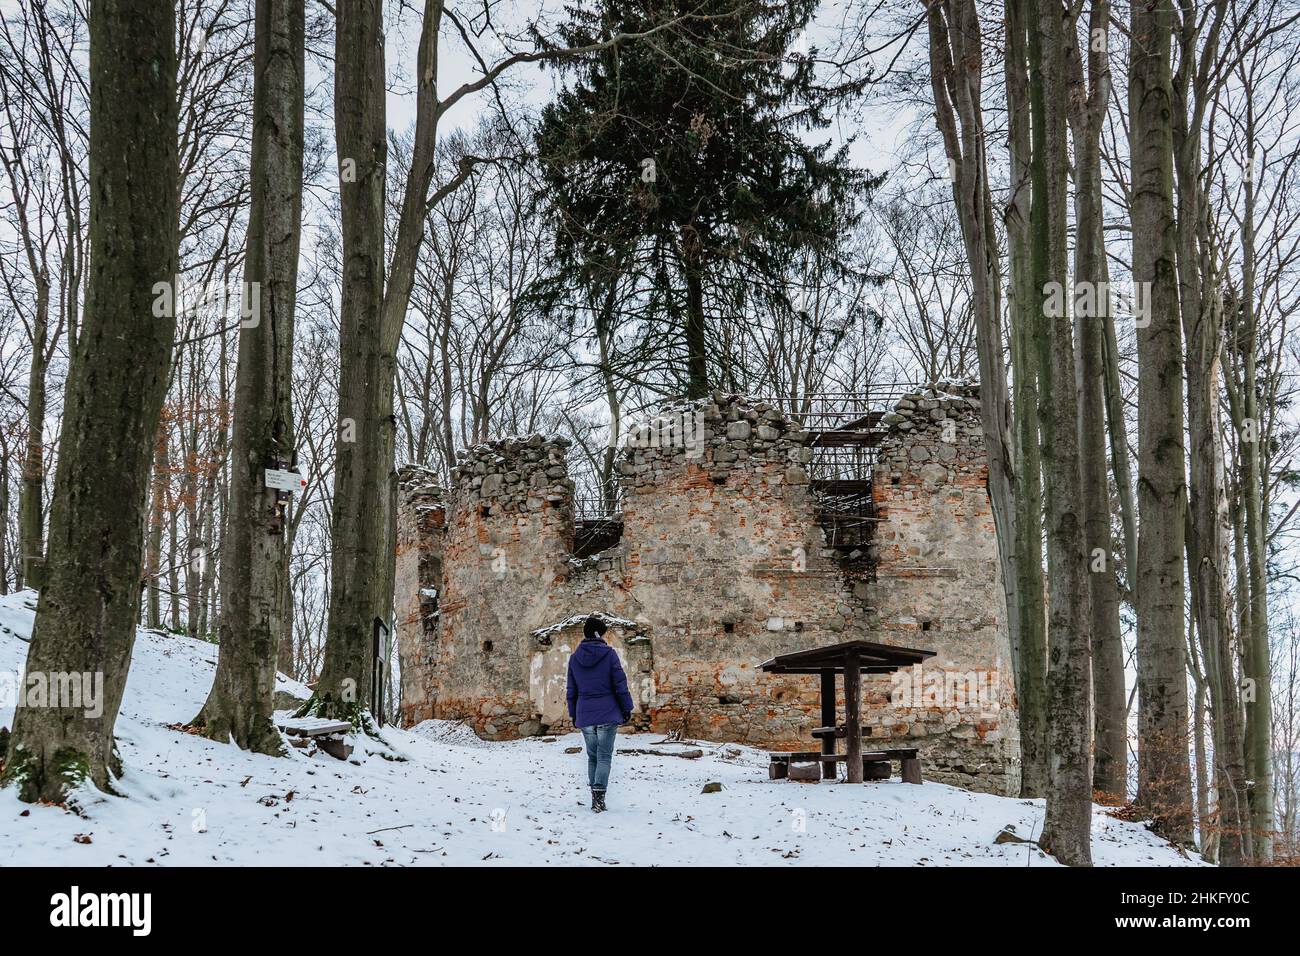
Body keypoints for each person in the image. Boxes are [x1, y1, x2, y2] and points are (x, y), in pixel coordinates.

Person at [566, 614, 634, 812]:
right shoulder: (609, 654)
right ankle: (599, 797)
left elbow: (572, 690)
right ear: (598, 634)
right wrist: (626, 707)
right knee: (604, 757)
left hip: (585, 715)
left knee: (592, 756)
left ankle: (594, 798)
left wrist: (573, 714)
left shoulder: (574, 659)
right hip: (607, 713)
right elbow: (620, 684)